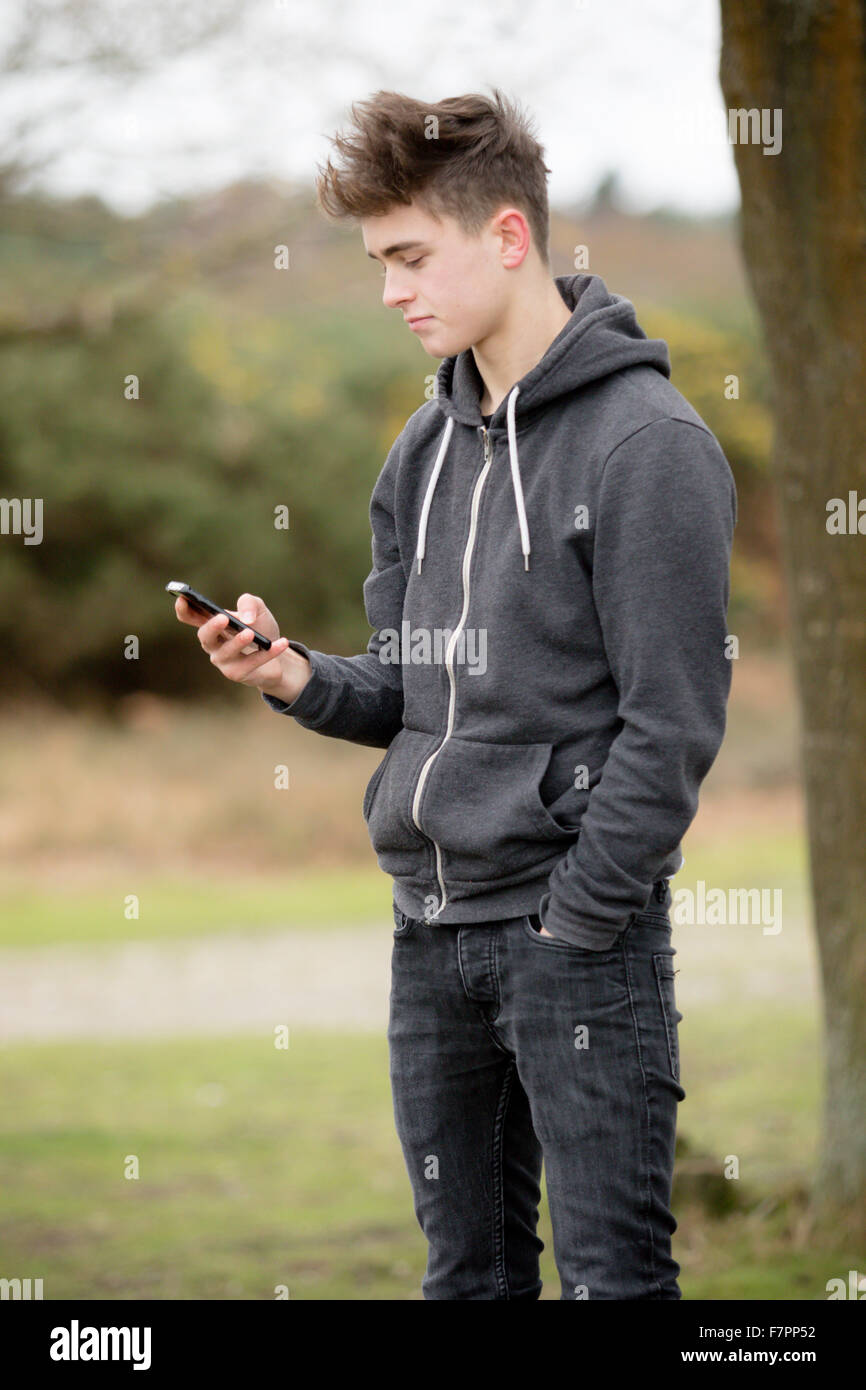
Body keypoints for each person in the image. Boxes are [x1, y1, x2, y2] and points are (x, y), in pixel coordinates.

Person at [175, 88, 737, 1300]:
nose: (388, 291)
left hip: (576, 942)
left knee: (610, 1281)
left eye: (408, 256)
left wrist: (574, 922)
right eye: (378, 262)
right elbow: (417, 693)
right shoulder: (417, 455)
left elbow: (672, 726)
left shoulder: (649, 446)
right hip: (427, 935)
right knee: (464, 1279)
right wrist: (296, 675)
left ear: (507, 236)